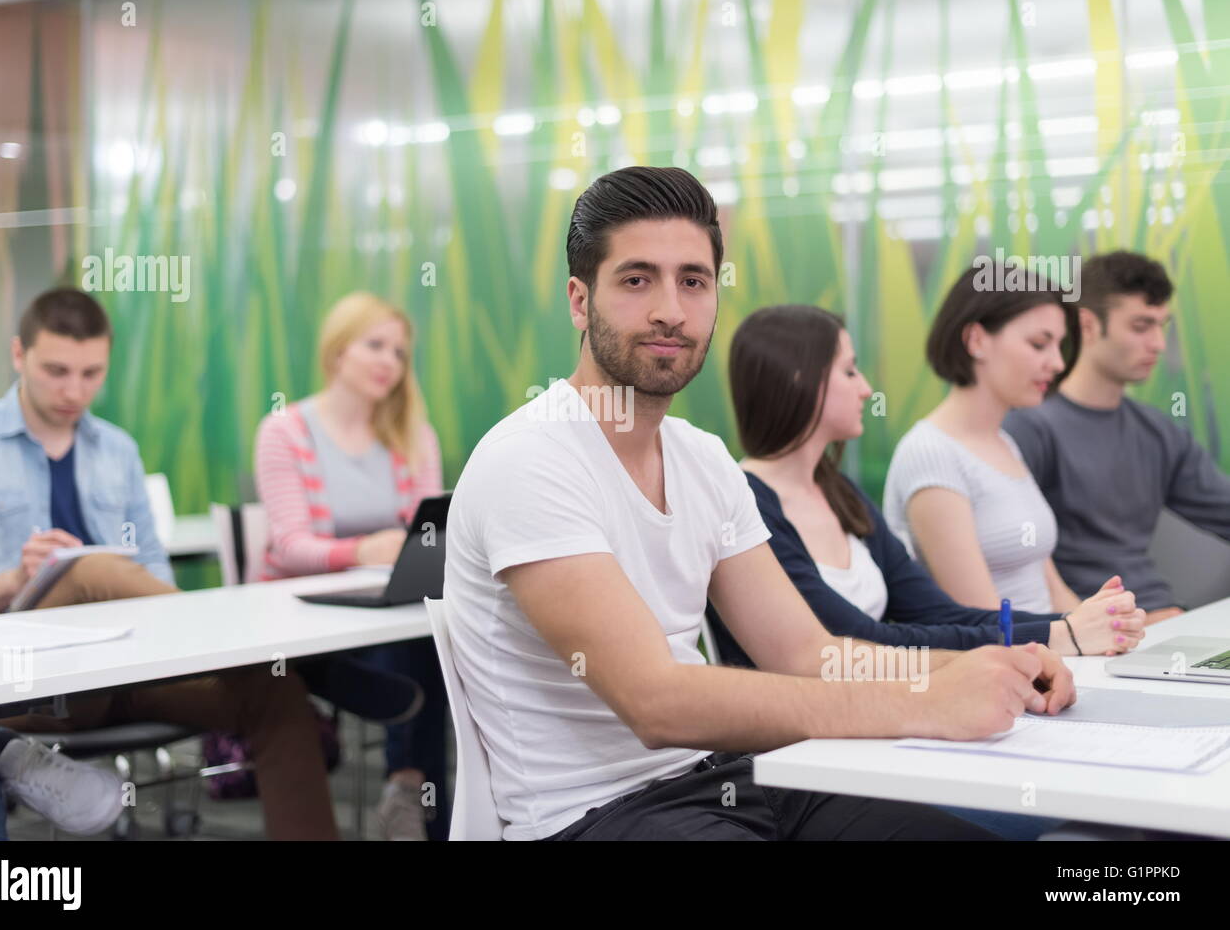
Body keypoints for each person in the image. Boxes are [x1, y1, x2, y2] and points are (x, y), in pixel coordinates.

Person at [444, 165, 1076, 842]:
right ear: (579, 300)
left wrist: (987, 666)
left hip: (733, 781)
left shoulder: (703, 458)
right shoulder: (530, 458)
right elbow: (656, 702)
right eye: (636, 280)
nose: (670, 310)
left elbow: (809, 654)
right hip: (597, 815)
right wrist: (928, 701)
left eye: (694, 280)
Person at [0, 286, 338, 840]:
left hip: (119, 671)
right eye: (56, 370)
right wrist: (15, 580)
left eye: (91, 373)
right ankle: (268, 647)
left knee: (278, 692)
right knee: (89, 569)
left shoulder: (117, 450)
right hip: (17, 685)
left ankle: (269, 663)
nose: (75, 390)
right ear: (18, 355)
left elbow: (153, 574)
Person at [710, 303, 1144, 660]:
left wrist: (1065, 626)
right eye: (849, 371)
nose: (865, 389)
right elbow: (860, 639)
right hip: (790, 747)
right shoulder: (749, 504)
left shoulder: (843, 496)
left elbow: (938, 613)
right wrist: (1057, 636)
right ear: (799, 381)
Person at [255, 292, 448, 840]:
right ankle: (414, 795)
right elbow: (289, 547)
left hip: (386, 613)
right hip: (304, 618)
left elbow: (426, 536)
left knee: (429, 634)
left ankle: (409, 788)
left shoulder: (414, 434)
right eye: (375, 345)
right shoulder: (285, 432)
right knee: (422, 648)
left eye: (400, 352)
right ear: (338, 352)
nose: (390, 361)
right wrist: (360, 552)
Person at [883, 265, 1148, 651]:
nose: (1057, 363)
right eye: (1039, 344)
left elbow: (1052, 590)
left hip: (1050, 656)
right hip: (1006, 672)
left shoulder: (1006, 444)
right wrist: (1076, 633)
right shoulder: (930, 454)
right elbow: (983, 623)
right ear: (976, 340)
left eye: (1059, 346)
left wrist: (1108, 628)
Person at [1005, 250, 1230, 617]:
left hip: (1162, 618)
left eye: (1162, 325)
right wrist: (1086, 629)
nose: (1157, 343)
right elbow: (1011, 558)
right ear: (1088, 325)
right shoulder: (1030, 429)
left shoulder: (1158, 432)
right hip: (1082, 631)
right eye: (1141, 327)